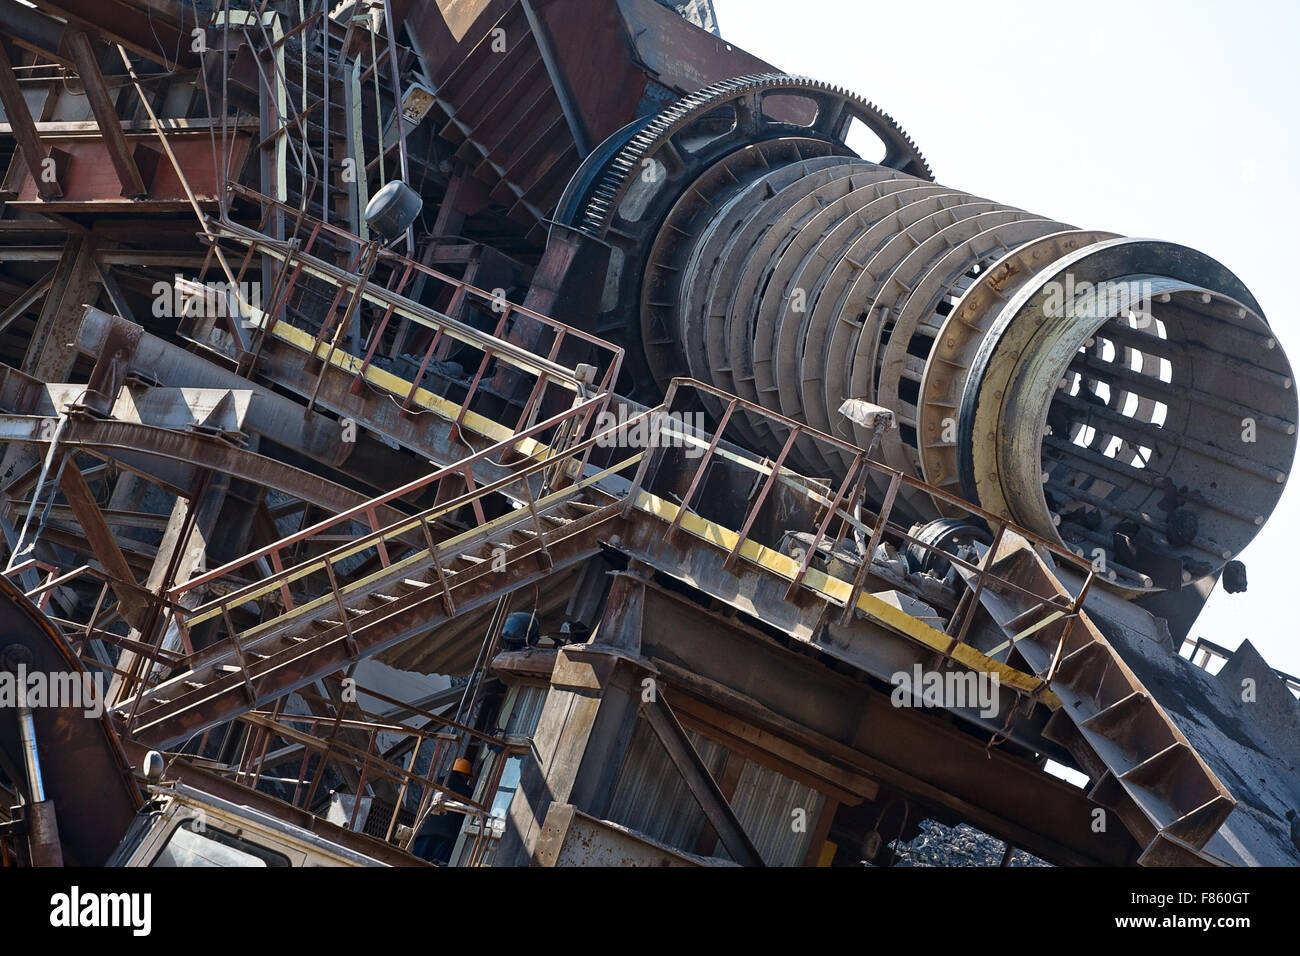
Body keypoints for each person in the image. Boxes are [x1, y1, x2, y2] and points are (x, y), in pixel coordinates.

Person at [410, 757, 475, 864]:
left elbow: (422, 804)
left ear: (449, 770)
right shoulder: (468, 792)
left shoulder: (436, 782)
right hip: (447, 837)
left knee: (413, 862)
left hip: (424, 832)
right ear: (467, 776)